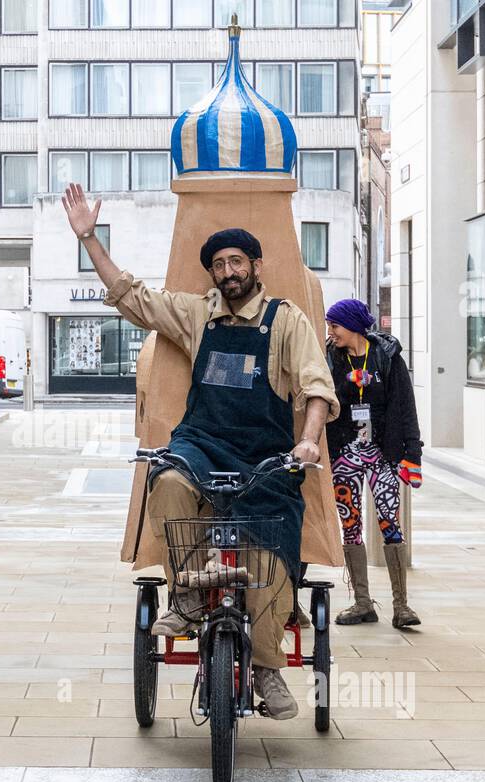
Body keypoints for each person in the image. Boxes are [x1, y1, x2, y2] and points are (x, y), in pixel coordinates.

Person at [63, 183, 339, 720]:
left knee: (270, 554)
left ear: (256, 265)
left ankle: (265, 668)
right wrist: (90, 239)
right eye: (218, 265)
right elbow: (134, 297)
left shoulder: (287, 321)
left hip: (267, 457)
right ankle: (187, 596)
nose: (228, 272)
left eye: (236, 261)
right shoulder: (197, 315)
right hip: (203, 444)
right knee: (166, 481)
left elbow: (316, 387)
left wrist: (307, 439)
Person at [323, 298, 423, 629]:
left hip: (383, 454)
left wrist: (413, 454)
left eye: (334, 325)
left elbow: (405, 406)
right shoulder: (330, 358)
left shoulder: (388, 357)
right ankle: (362, 603)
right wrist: (348, 381)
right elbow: (323, 397)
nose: (330, 331)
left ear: (351, 325)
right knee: (350, 526)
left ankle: (402, 606)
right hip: (345, 454)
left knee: (390, 524)